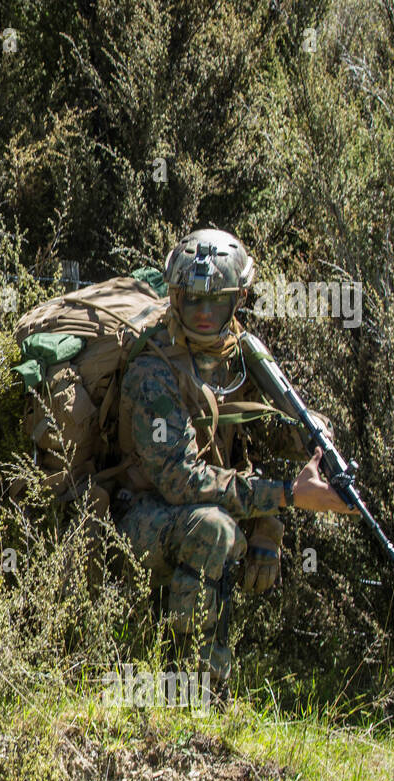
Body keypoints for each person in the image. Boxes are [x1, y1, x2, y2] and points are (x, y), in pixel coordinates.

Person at [114, 228, 355, 687]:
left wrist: (311, 435)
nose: (204, 315)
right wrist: (286, 496)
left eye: (217, 302)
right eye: (192, 302)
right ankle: (189, 681)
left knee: (230, 522)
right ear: (175, 297)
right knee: (213, 530)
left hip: (190, 502)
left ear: (239, 299)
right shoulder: (154, 370)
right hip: (135, 514)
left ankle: (222, 672)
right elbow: (181, 482)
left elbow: (264, 427)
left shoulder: (236, 354)